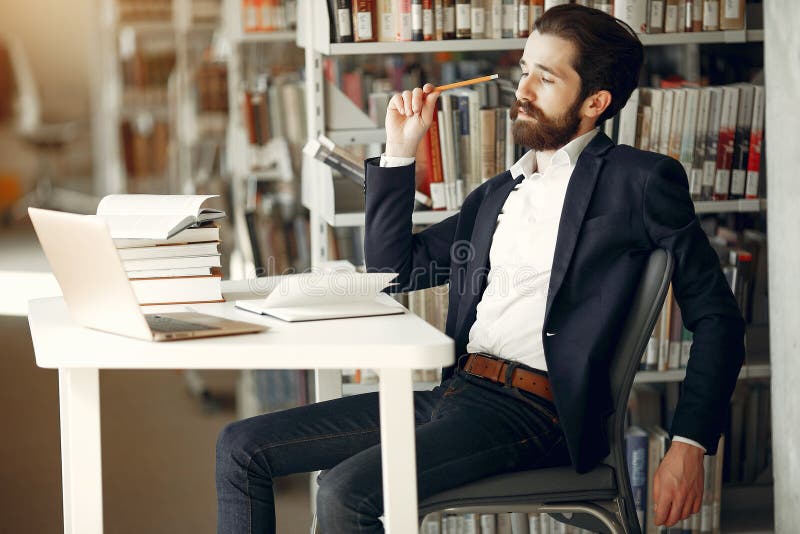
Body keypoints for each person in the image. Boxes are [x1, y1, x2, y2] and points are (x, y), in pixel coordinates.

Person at [216, 5, 745, 533]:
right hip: (458, 393)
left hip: (536, 412)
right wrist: (400, 148)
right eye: (524, 70)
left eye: (546, 78)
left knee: (344, 492)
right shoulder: (497, 193)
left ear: (595, 102)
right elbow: (395, 272)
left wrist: (689, 444)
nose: (523, 90)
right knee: (241, 447)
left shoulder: (640, 181)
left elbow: (717, 317)